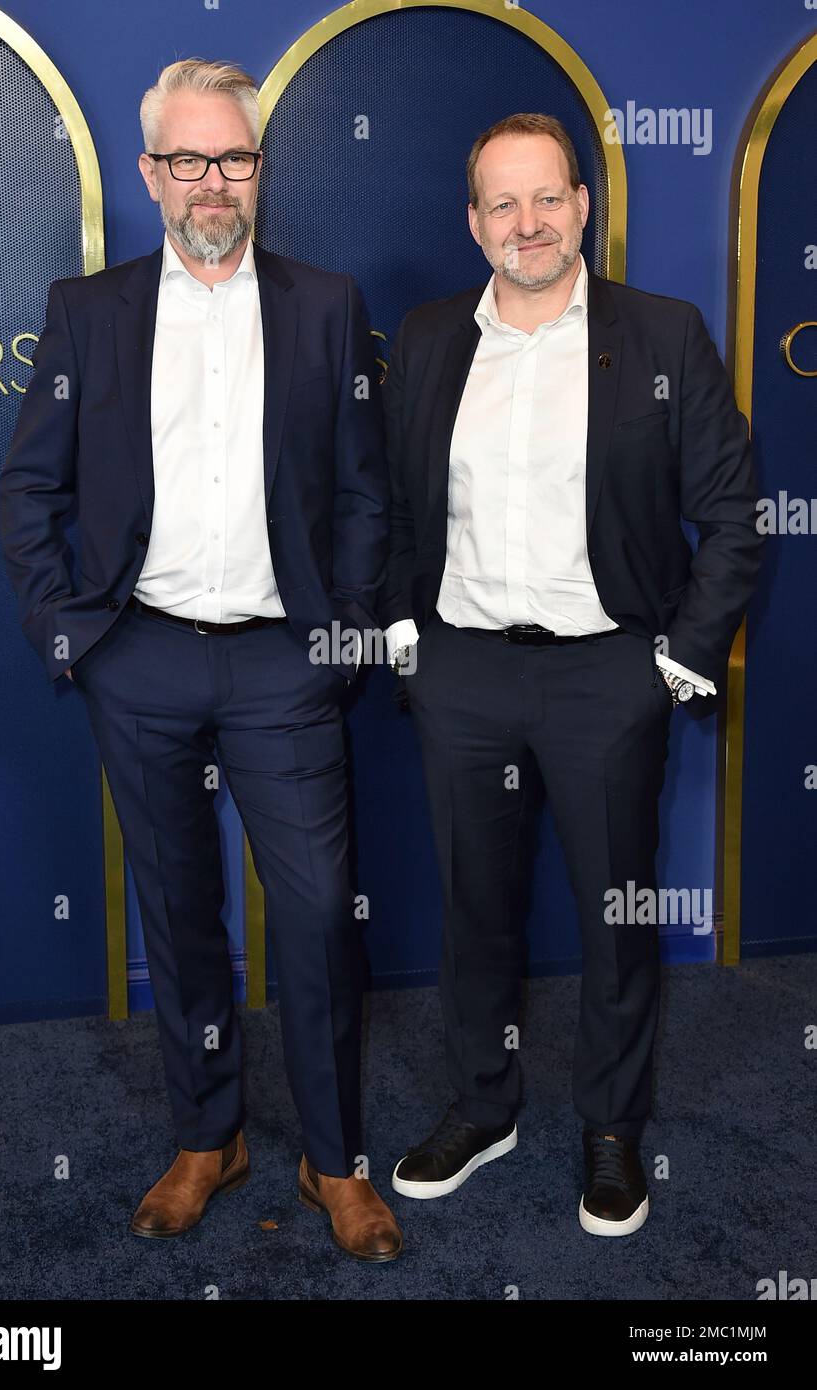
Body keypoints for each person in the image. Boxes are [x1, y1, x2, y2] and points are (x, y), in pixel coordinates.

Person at [0, 58, 401, 1261]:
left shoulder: (327, 304)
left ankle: (334, 1159)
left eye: (232, 157)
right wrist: (77, 638)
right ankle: (206, 1134)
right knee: (179, 914)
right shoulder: (88, 310)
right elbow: (29, 489)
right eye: (188, 159)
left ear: (259, 170)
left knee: (324, 914)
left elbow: (366, 493)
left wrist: (343, 635)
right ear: (150, 174)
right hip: (143, 658)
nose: (211, 181)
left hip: (287, 662)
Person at [379, 113, 763, 1236]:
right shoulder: (431, 333)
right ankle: (483, 1105)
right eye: (501, 204)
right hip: (463, 676)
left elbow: (732, 518)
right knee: (474, 915)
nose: (526, 223)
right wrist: (406, 633)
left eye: (546, 198)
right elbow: (398, 505)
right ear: (472, 223)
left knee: (614, 917)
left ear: (581, 206)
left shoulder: (661, 334)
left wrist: (677, 660)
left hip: (609, 678)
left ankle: (610, 1127)